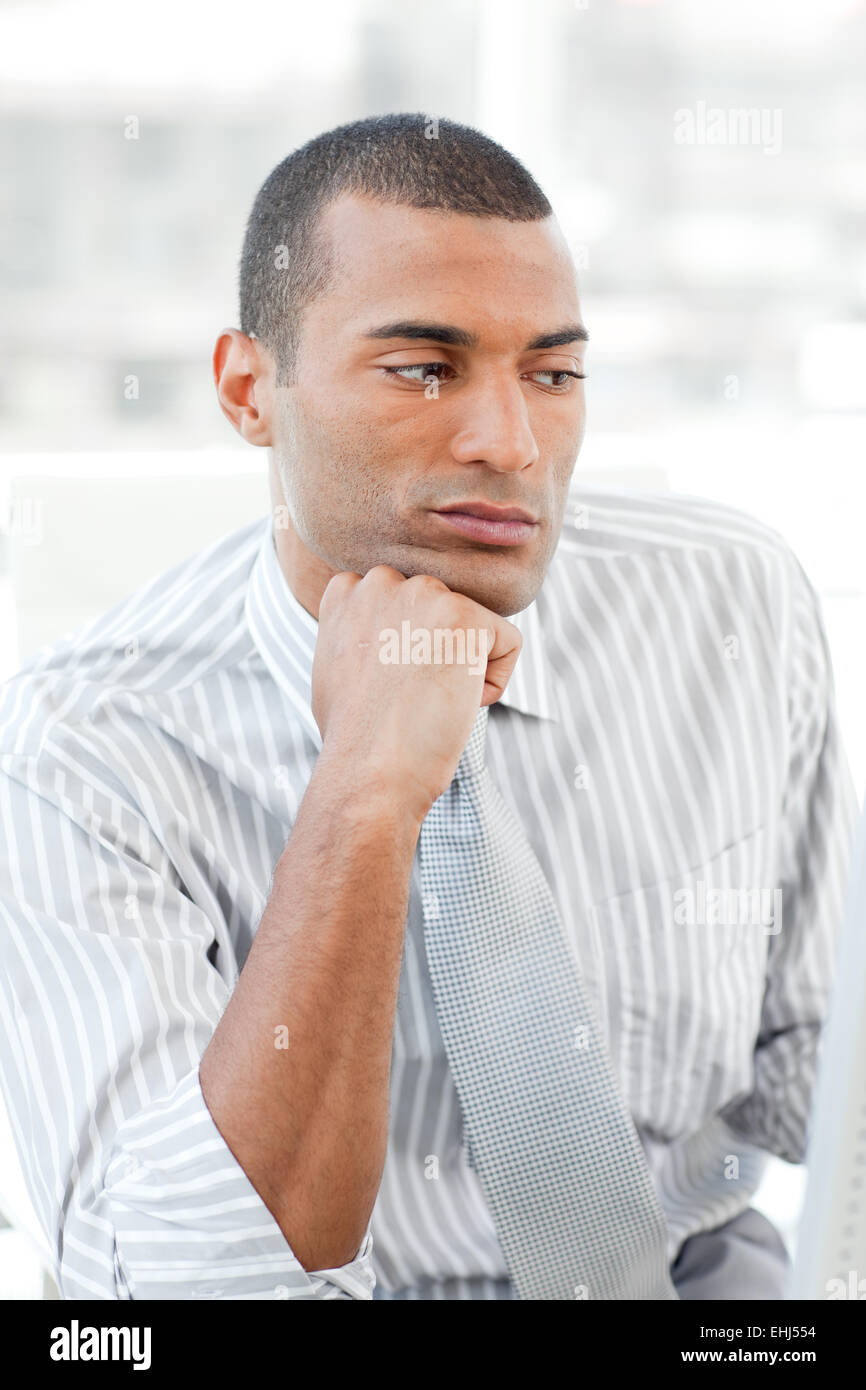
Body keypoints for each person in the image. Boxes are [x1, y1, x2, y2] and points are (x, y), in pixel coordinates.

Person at [0, 113, 857, 1300]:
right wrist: (365, 787)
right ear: (250, 390)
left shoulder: (731, 602)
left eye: (552, 374)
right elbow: (178, 1283)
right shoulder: (82, 746)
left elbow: (812, 1076)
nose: (511, 443)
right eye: (422, 368)